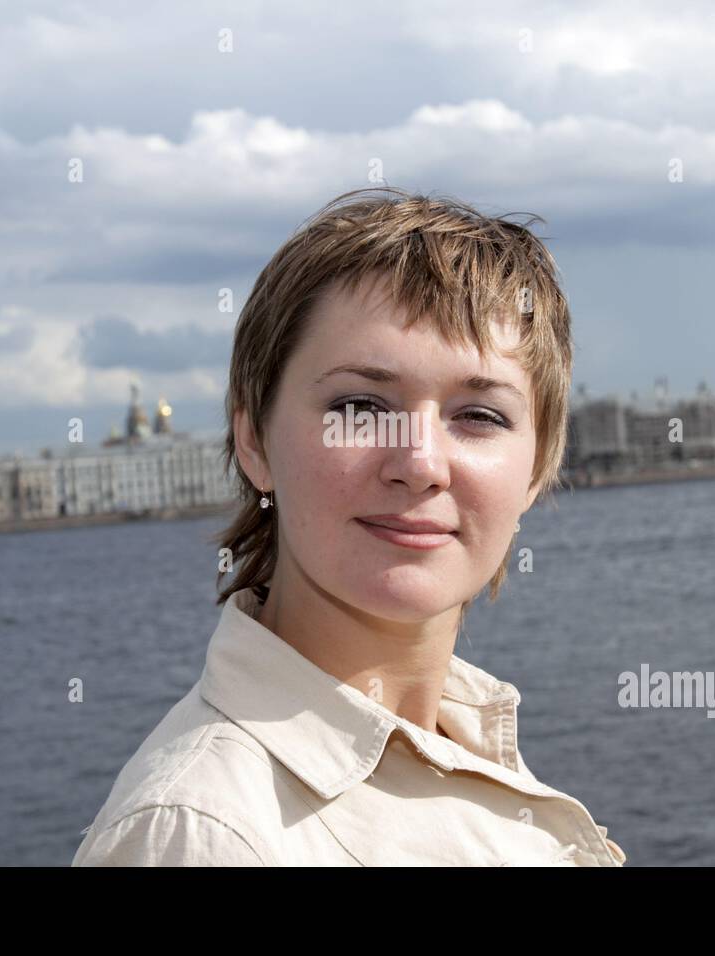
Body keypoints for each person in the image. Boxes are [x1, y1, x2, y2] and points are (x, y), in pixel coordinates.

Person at [71, 187, 626, 866]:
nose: (420, 465)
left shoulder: (463, 741)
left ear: (538, 469)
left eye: (479, 416)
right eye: (361, 407)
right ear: (254, 441)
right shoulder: (208, 835)